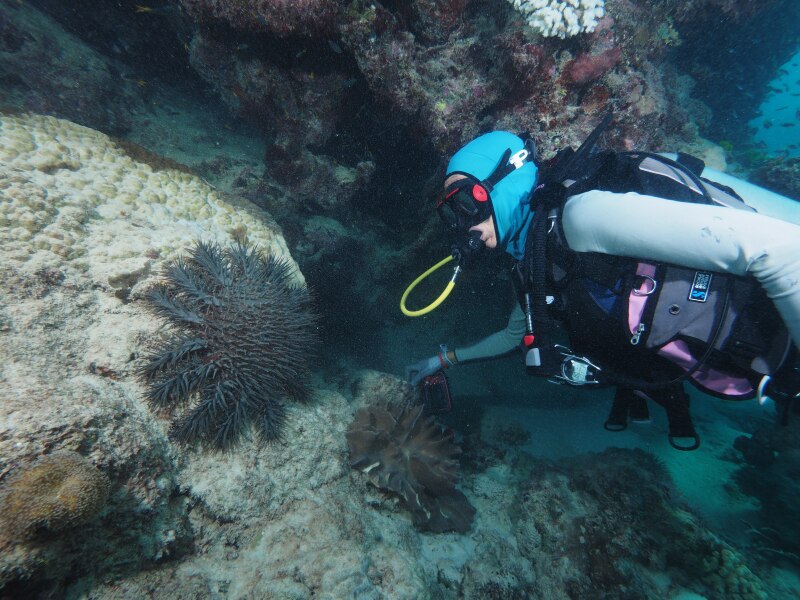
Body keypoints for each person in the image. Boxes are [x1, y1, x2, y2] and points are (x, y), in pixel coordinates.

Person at [404, 125, 800, 449]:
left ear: (504, 181)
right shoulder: (533, 254)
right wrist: (442, 361)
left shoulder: (582, 216)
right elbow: (513, 335)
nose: (461, 224)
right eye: (449, 215)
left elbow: (778, 250)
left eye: (465, 204)